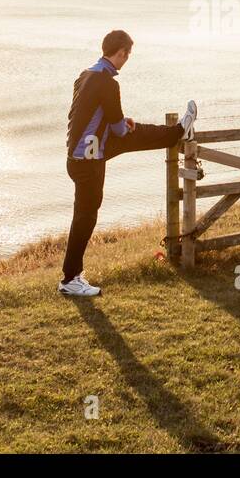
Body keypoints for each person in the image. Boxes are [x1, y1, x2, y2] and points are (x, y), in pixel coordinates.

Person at [60, 29, 196, 296]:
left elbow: (92, 118)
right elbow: (119, 129)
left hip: (79, 156)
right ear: (121, 53)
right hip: (89, 161)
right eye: (127, 55)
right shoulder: (109, 84)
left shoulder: (85, 75)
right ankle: (70, 279)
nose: (126, 60)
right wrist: (123, 127)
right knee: (85, 218)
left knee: (137, 133)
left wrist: (123, 125)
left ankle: (177, 132)